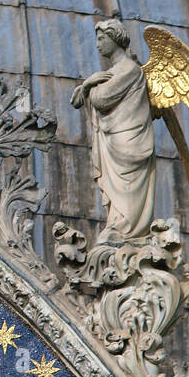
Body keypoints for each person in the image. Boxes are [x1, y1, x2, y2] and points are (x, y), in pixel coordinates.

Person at [71, 19, 157, 241]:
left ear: (115, 39)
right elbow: (79, 99)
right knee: (120, 191)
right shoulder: (114, 71)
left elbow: (101, 99)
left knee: (128, 190)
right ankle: (119, 225)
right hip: (116, 140)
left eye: (102, 39)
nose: (98, 45)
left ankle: (126, 230)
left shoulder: (129, 69)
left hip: (128, 142)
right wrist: (90, 84)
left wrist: (90, 85)